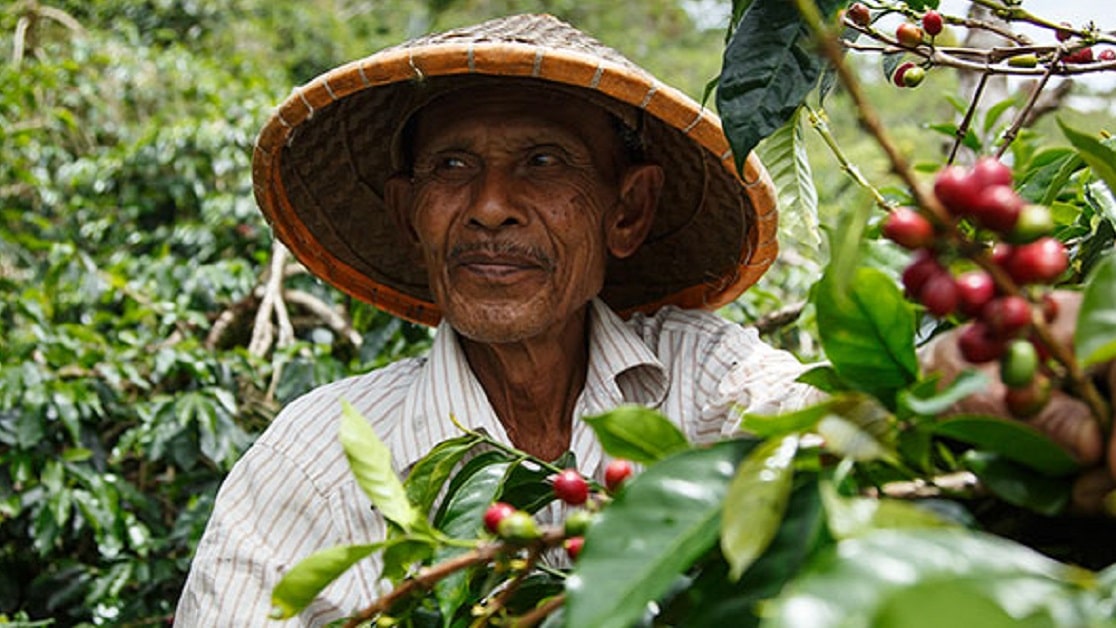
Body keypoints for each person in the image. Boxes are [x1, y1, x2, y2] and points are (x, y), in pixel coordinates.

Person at [175, 13, 1114, 626]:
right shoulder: (314, 458)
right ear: (408, 211)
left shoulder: (701, 380)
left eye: (543, 162)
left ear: (627, 210)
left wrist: (966, 390)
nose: (490, 207)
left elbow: (825, 424)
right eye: (452, 168)